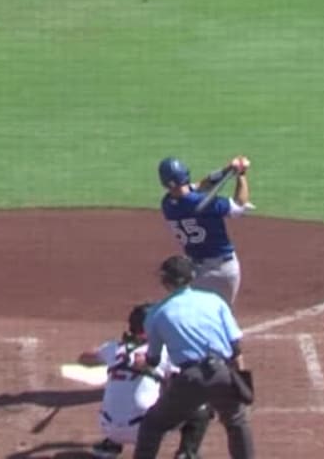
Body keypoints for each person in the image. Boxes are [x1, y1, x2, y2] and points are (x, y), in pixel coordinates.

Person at [133, 256, 256, 459]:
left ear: (166, 281)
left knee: (153, 425)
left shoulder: (156, 313)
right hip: (223, 374)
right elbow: (235, 348)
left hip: (190, 379)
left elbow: (154, 359)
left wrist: (142, 362)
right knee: (236, 422)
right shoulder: (215, 300)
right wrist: (240, 382)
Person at [77, 303, 208, 458]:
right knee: (200, 405)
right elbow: (180, 386)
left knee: (123, 395)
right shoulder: (164, 351)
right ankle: (187, 453)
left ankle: (110, 446)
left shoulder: (113, 348)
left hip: (108, 427)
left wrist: (117, 355)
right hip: (146, 430)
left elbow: (83, 358)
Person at [157, 155, 253, 305]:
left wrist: (227, 170)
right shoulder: (202, 202)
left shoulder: (167, 203)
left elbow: (200, 185)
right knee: (220, 317)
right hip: (222, 270)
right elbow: (240, 205)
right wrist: (241, 174)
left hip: (194, 272)